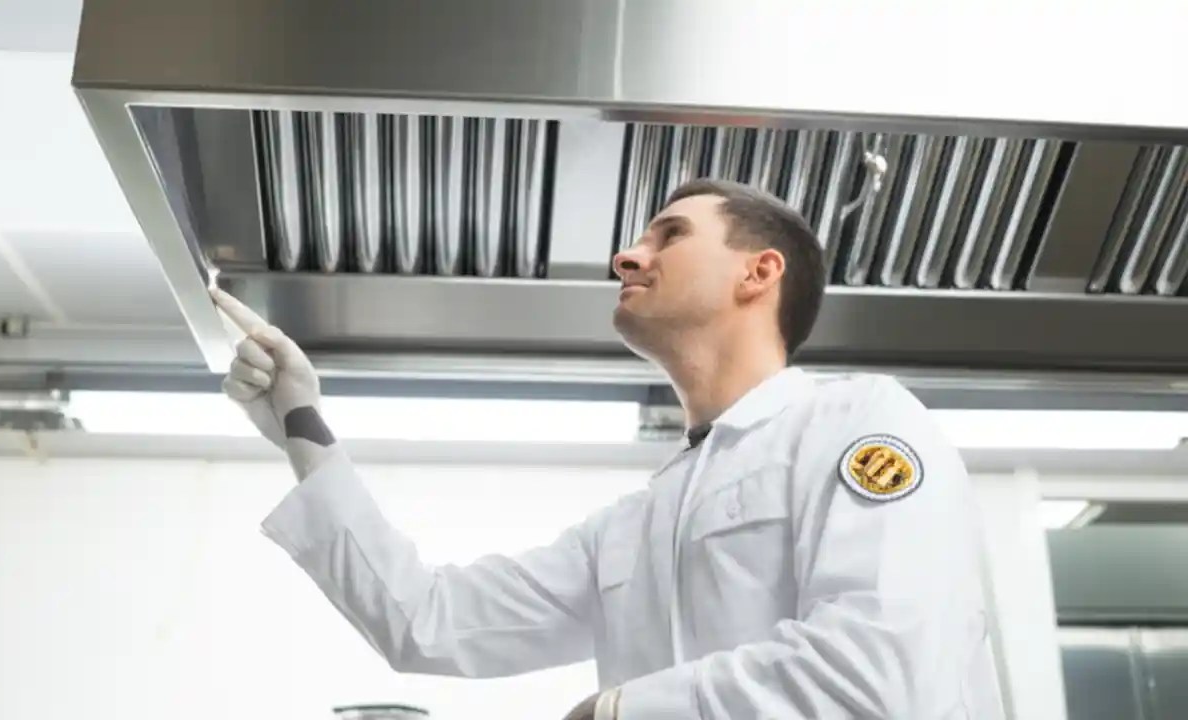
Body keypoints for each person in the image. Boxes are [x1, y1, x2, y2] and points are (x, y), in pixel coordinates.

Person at [213, 178, 1004, 719]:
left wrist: (624, 708)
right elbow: (430, 621)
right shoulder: (637, 523)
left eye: (672, 235)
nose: (627, 256)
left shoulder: (858, 423)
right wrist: (302, 426)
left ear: (760, 273)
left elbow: (882, 674)